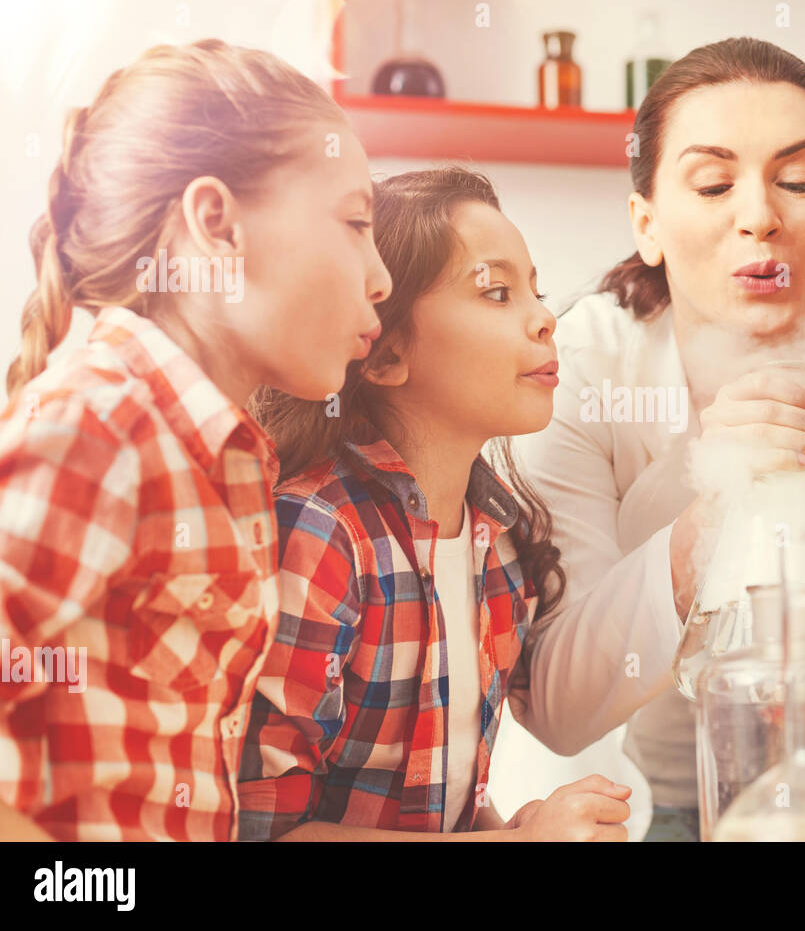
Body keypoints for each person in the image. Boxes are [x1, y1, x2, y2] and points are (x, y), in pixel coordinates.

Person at [512, 37, 805, 840]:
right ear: (646, 223)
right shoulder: (576, 366)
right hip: (653, 805)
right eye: (715, 183)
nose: (759, 217)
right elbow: (555, 697)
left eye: (796, 182)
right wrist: (709, 501)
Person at [0, 39, 390, 840]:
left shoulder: (228, 456)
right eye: (355, 223)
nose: (379, 276)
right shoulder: (98, 425)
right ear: (216, 223)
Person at [237, 168, 631, 841]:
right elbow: (267, 832)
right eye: (497, 293)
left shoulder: (503, 549)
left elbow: (438, 810)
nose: (543, 317)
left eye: (534, 291)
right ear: (385, 352)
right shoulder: (321, 536)